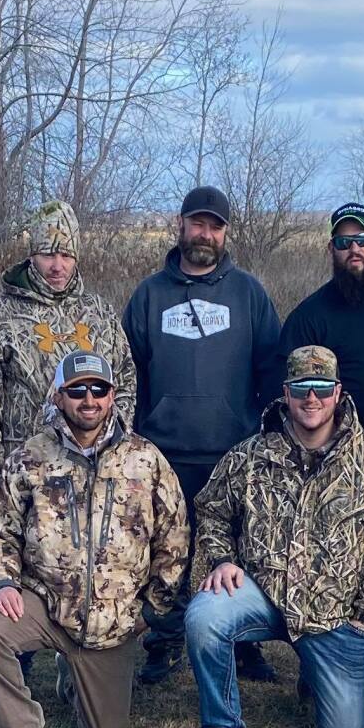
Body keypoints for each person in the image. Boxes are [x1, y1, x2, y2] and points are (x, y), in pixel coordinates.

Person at [183, 344, 364, 728]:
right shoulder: (248, 456)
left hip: (335, 612)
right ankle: (223, 727)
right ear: (286, 393)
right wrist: (222, 559)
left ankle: (314, 671)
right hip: (262, 594)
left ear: (337, 393)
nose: (312, 398)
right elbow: (211, 511)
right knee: (205, 616)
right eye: (302, 387)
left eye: (321, 388)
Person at [0, 349, 188, 728]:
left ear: (112, 395)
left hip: (114, 620)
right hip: (45, 602)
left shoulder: (146, 459)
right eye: (77, 390)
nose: (89, 399)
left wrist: (152, 608)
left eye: (98, 390)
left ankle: (72, 673)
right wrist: (3, 581)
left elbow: (174, 538)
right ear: (59, 397)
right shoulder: (30, 457)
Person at [122, 185, 283, 685]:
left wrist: (264, 434)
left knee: (242, 549)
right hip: (164, 452)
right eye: (197, 223)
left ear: (225, 233)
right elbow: (129, 374)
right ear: (181, 225)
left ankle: (244, 642)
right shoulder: (150, 295)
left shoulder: (248, 294)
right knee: (165, 553)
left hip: (233, 452)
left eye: (215, 226)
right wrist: (133, 439)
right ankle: (164, 641)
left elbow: (271, 369)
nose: (205, 234)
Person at [281, 199, 364, 674]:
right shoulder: (310, 316)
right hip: (332, 459)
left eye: (362, 239)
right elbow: (289, 393)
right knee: (336, 551)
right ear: (331, 249)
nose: (353, 248)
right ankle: (325, 651)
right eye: (343, 241)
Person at [0, 199, 136, 496]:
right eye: (48, 255)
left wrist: (115, 443)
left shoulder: (99, 313)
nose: (58, 266)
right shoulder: (1, 313)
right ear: (32, 255)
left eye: (66, 255)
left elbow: (125, 379)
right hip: (23, 467)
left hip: (93, 467)